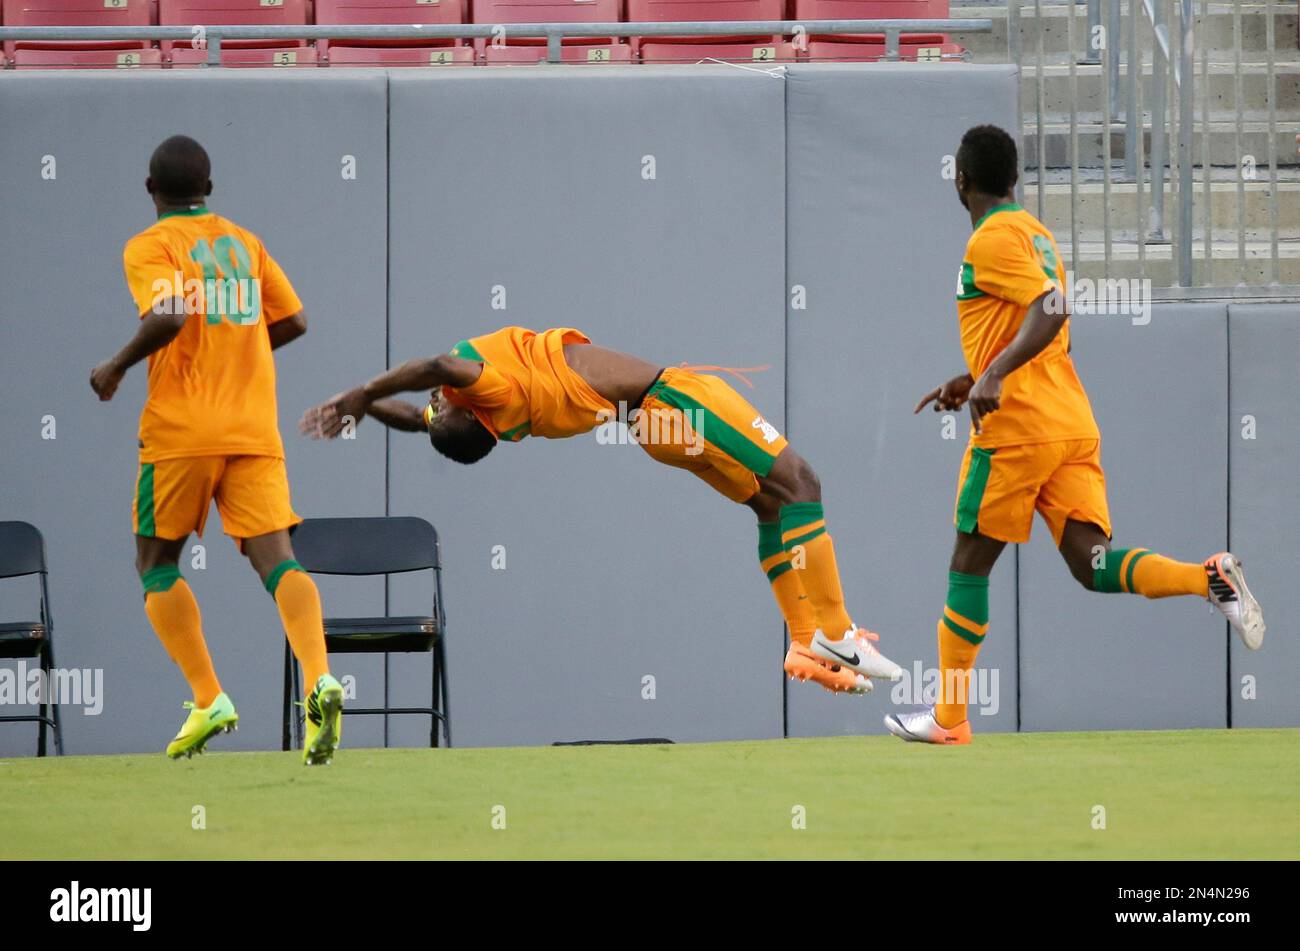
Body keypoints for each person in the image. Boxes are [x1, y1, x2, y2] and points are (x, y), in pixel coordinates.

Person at [888, 124, 1265, 746]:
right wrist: (976, 374)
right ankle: (1211, 578)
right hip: (1068, 421)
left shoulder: (991, 238)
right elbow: (1045, 319)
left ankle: (948, 718)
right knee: (1092, 564)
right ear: (1013, 179)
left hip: (1017, 432)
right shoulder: (1035, 233)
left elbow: (1053, 309)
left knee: (968, 564)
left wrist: (996, 377)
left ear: (961, 180)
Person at [300, 325, 904, 693]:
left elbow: (420, 419)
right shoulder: (488, 390)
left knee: (771, 506)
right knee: (802, 482)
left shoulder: (470, 415)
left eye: (436, 406)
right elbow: (432, 368)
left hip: (653, 429)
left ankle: (803, 641)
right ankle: (835, 631)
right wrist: (363, 393)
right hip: (671, 399)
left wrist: (357, 404)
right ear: (472, 413)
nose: (434, 401)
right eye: (441, 406)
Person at [90, 135, 344, 765]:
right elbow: (294, 321)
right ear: (211, 188)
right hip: (254, 427)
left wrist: (117, 365)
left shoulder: (150, 245)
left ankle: (209, 698)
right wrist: (241, 354)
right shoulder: (244, 242)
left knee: (155, 562)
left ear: (151, 191)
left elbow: (171, 315)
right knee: (278, 559)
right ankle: (319, 679)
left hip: (182, 430)